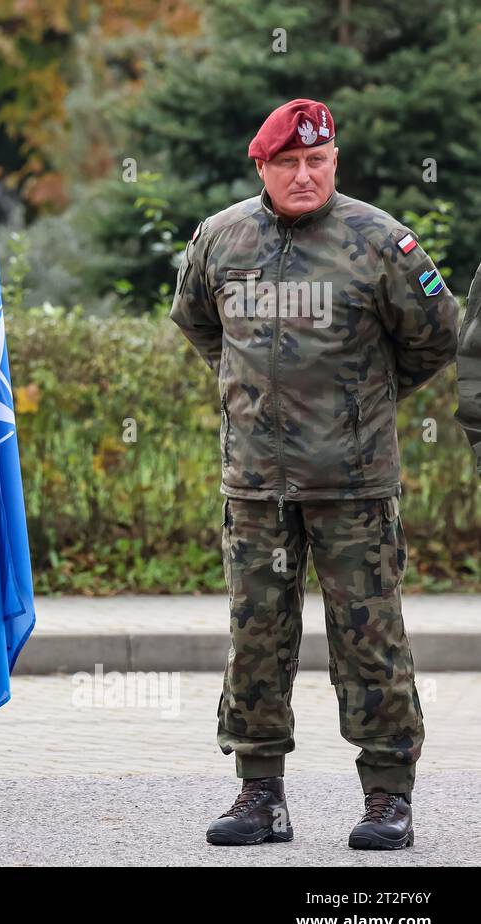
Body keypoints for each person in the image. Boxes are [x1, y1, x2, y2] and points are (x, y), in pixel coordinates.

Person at [169, 99, 458, 850]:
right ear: (261, 166)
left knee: (371, 641)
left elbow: (436, 338)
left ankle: (388, 795)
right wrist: (250, 395)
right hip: (256, 485)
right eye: (289, 164)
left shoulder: (380, 243)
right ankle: (259, 792)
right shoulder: (221, 239)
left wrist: (366, 402)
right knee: (255, 638)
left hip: (354, 487)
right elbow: (201, 324)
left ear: (335, 162)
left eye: (318, 162)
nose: (305, 175)